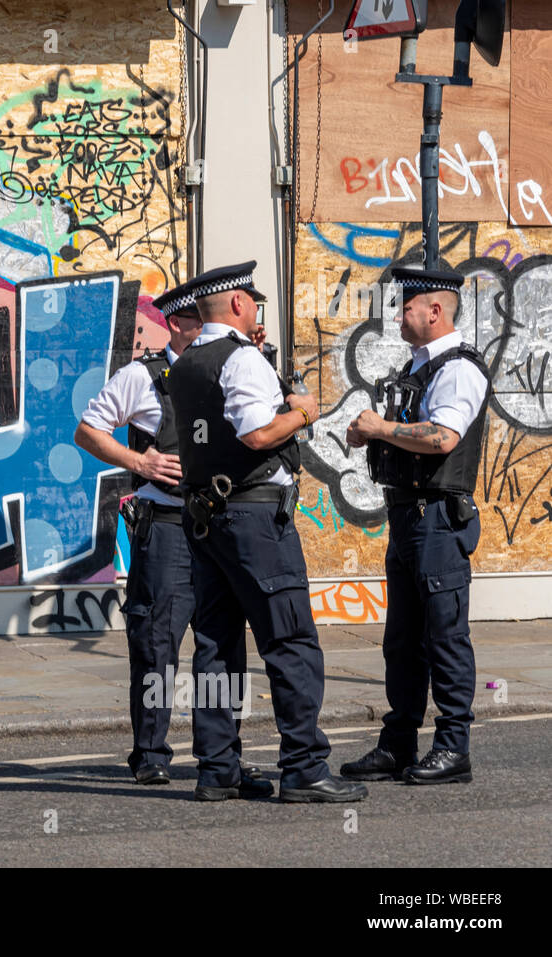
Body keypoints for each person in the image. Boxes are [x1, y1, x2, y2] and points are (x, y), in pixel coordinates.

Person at [165, 261, 368, 803]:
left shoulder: (185, 364)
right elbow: (257, 434)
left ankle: (218, 768)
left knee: (214, 643)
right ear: (236, 304)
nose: (257, 308)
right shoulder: (241, 359)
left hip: (206, 517)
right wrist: (302, 412)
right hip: (255, 516)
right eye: (252, 300)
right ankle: (304, 767)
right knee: (290, 639)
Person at [74, 280, 269, 796]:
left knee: (223, 646)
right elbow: (88, 429)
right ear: (179, 323)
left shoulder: (235, 363)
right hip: (167, 526)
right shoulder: (144, 375)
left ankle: (223, 755)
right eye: (197, 317)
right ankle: (152, 752)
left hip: (223, 523)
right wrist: (139, 461)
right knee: (157, 641)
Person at [341, 265, 491, 785]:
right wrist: (374, 437)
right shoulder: (419, 367)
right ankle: (399, 743)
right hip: (407, 517)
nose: (399, 316)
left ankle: (454, 747)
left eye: (407, 307)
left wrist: (383, 427)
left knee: (445, 636)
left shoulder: (459, 368)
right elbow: (412, 435)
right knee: (402, 640)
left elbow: (443, 438)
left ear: (434, 310)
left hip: (438, 521)